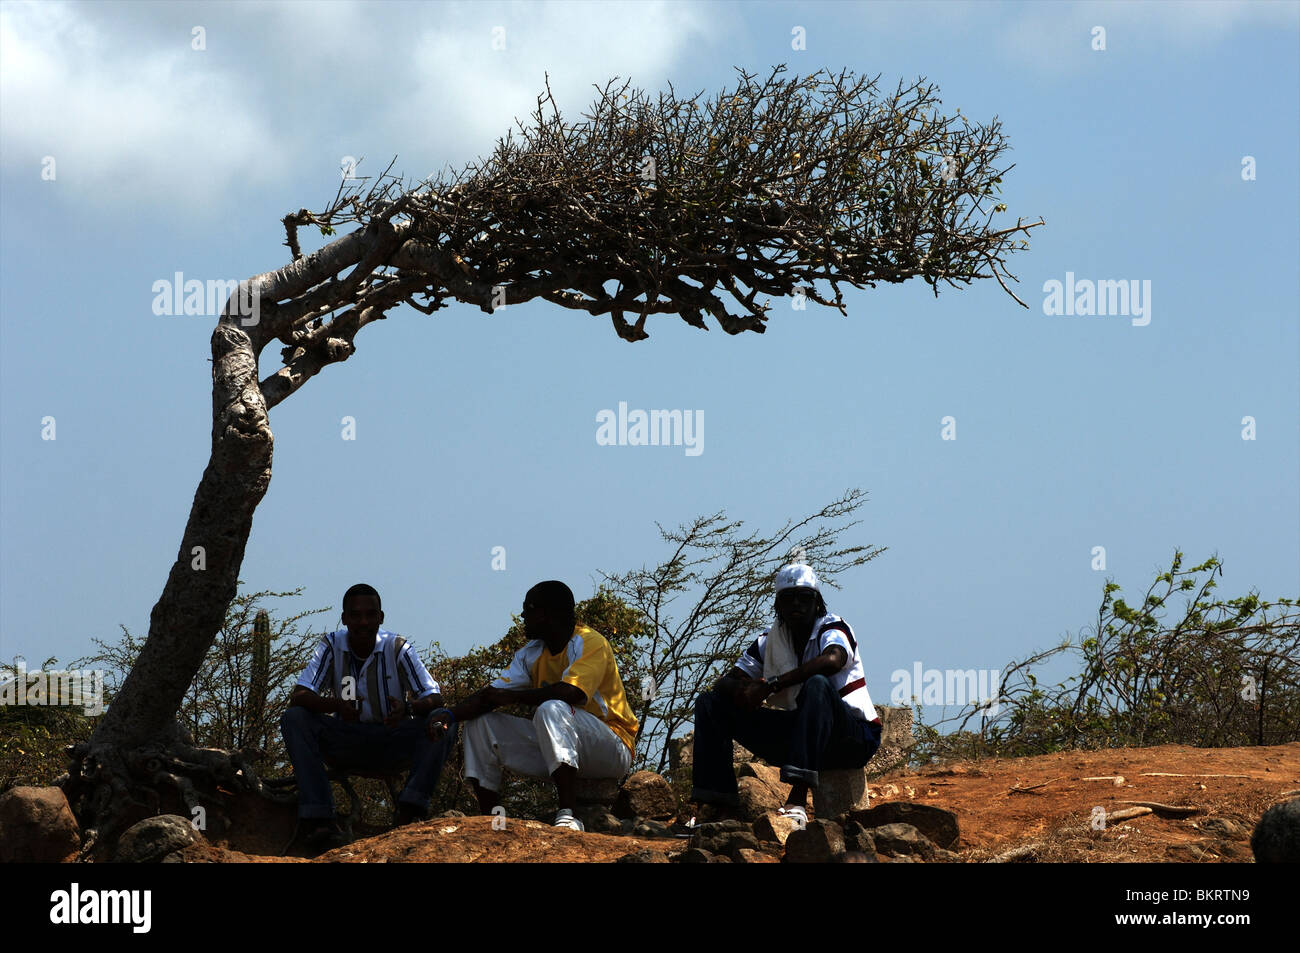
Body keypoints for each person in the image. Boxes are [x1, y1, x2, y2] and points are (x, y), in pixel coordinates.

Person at [426, 580, 637, 831]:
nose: (523, 616)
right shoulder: (531, 653)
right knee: (480, 724)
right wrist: (448, 715)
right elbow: (491, 696)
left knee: (551, 708)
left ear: (549, 613)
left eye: (529, 609)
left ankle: (569, 816)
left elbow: (573, 692)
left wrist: (514, 697)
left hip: (611, 747)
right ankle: (491, 821)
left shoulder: (590, 642)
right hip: (561, 743)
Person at [690, 564, 882, 824]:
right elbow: (726, 681)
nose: (797, 605)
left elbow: (833, 660)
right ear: (777, 605)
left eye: (804, 598)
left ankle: (798, 799)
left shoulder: (832, 627)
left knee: (817, 685)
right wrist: (745, 690)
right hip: (801, 738)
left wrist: (770, 686)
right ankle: (718, 804)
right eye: (788, 599)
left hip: (852, 737)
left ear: (817, 602)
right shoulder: (770, 640)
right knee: (710, 703)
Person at [281, 583, 452, 850]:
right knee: (295, 718)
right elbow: (300, 695)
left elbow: (435, 697)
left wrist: (406, 710)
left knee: (443, 718)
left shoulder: (398, 648)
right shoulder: (331, 645)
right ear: (344, 618)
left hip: (392, 738)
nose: (363, 622)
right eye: (356, 615)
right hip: (346, 739)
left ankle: (410, 810)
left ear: (380, 618)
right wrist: (335, 703)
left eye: (370, 615)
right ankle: (319, 818)